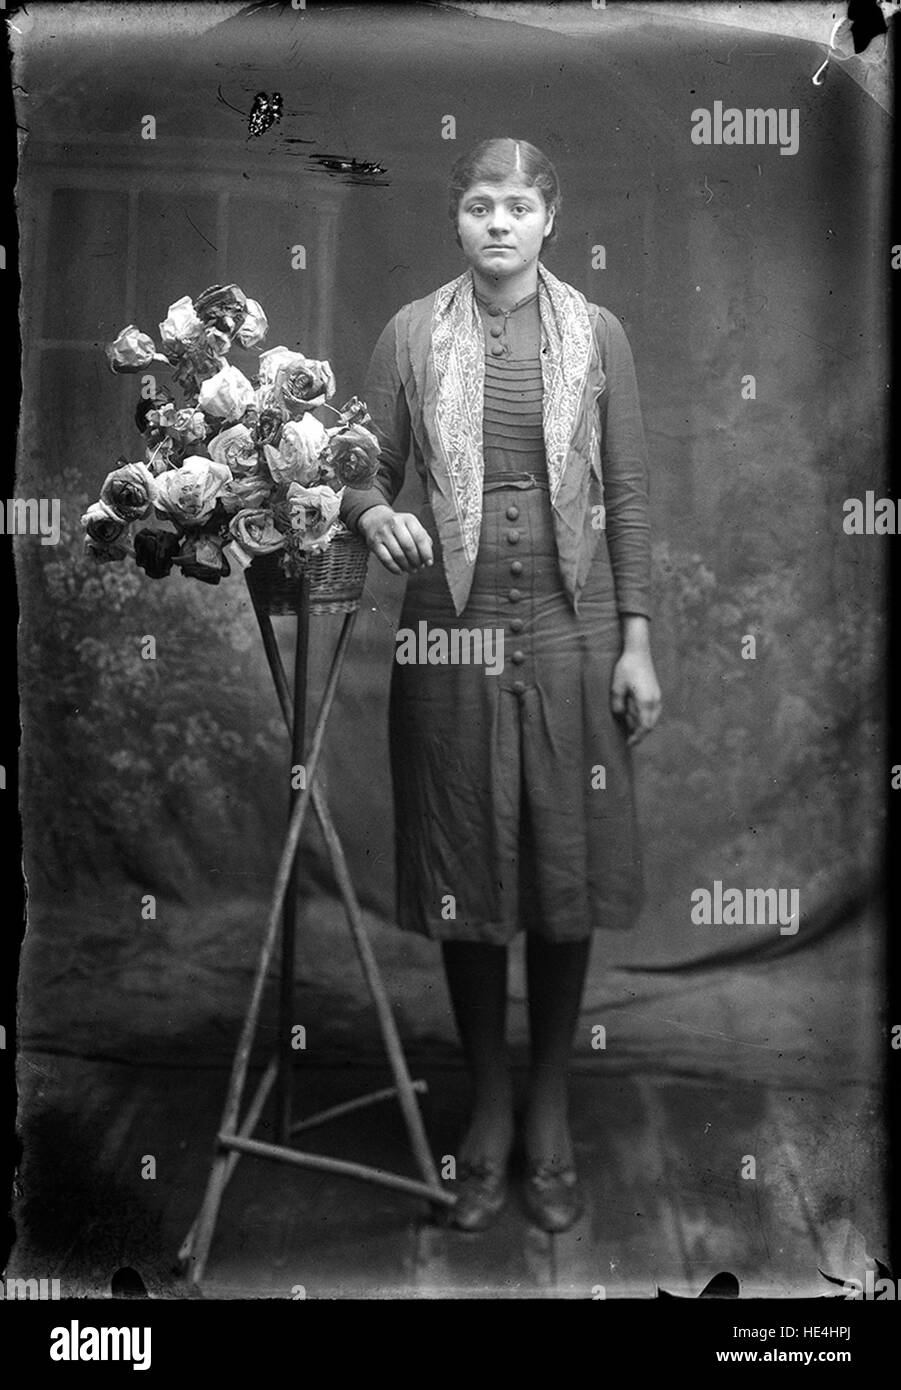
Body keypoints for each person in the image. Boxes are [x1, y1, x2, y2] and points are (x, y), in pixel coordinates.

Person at [340, 137, 661, 1234]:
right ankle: (485, 1107)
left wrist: (636, 641)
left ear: (549, 219)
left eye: (517, 205)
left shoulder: (599, 334)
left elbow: (627, 494)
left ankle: (552, 1107)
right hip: (450, 632)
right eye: (479, 205)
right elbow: (359, 472)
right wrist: (375, 513)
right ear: (458, 221)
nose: (497, 224)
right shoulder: (409, 334)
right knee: (466, 863)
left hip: (570, 632)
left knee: (562, 858)